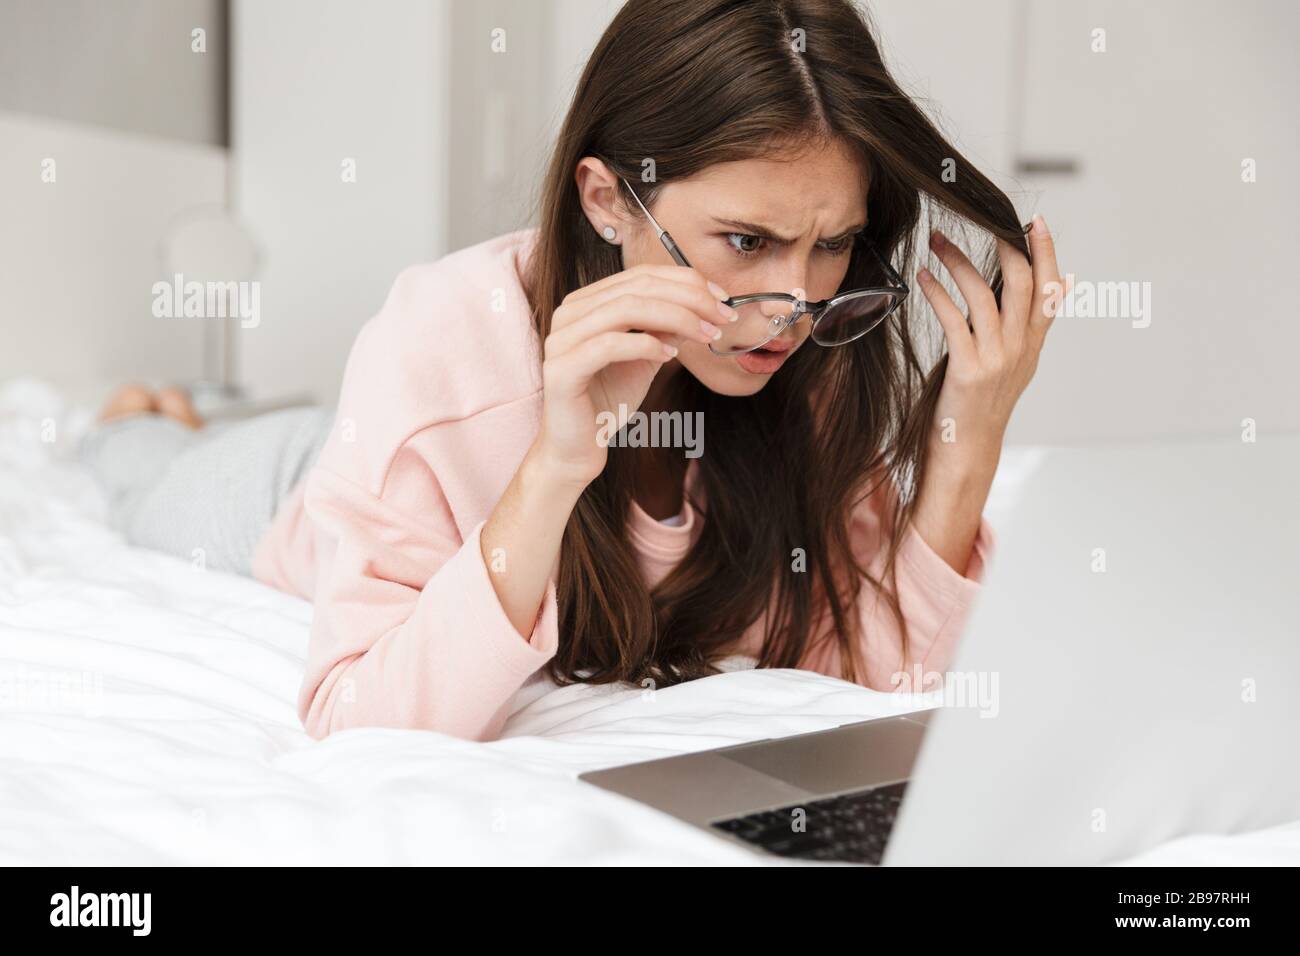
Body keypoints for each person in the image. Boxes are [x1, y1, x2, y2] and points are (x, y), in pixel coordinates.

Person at [80, 0, 1062, 742]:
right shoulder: (440, 335)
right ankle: (143, 419)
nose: (790, 307)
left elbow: (876, 681)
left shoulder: (812, 346)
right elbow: (355, 719)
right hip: (286, 488)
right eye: (744, 240)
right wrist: (556, 463)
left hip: (375, 450)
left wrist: (972, 431)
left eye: (832, 243)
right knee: (136, 466)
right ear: (607, 200)